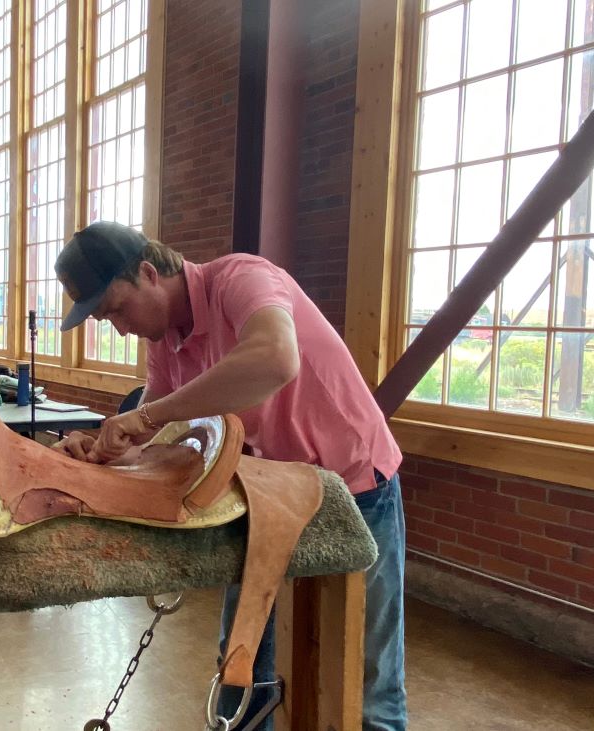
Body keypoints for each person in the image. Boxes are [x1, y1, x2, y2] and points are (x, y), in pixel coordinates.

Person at [52, 221, 406, 731]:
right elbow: (155, 431)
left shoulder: (242, 278)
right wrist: (106, 448)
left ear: (149, 273)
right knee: (240, 660)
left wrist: (147, 419)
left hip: (354, 481)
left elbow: (274, 358)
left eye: (117, 309)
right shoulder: (164, 341)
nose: (120, 328)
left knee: (371, 675)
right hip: (267, 495)